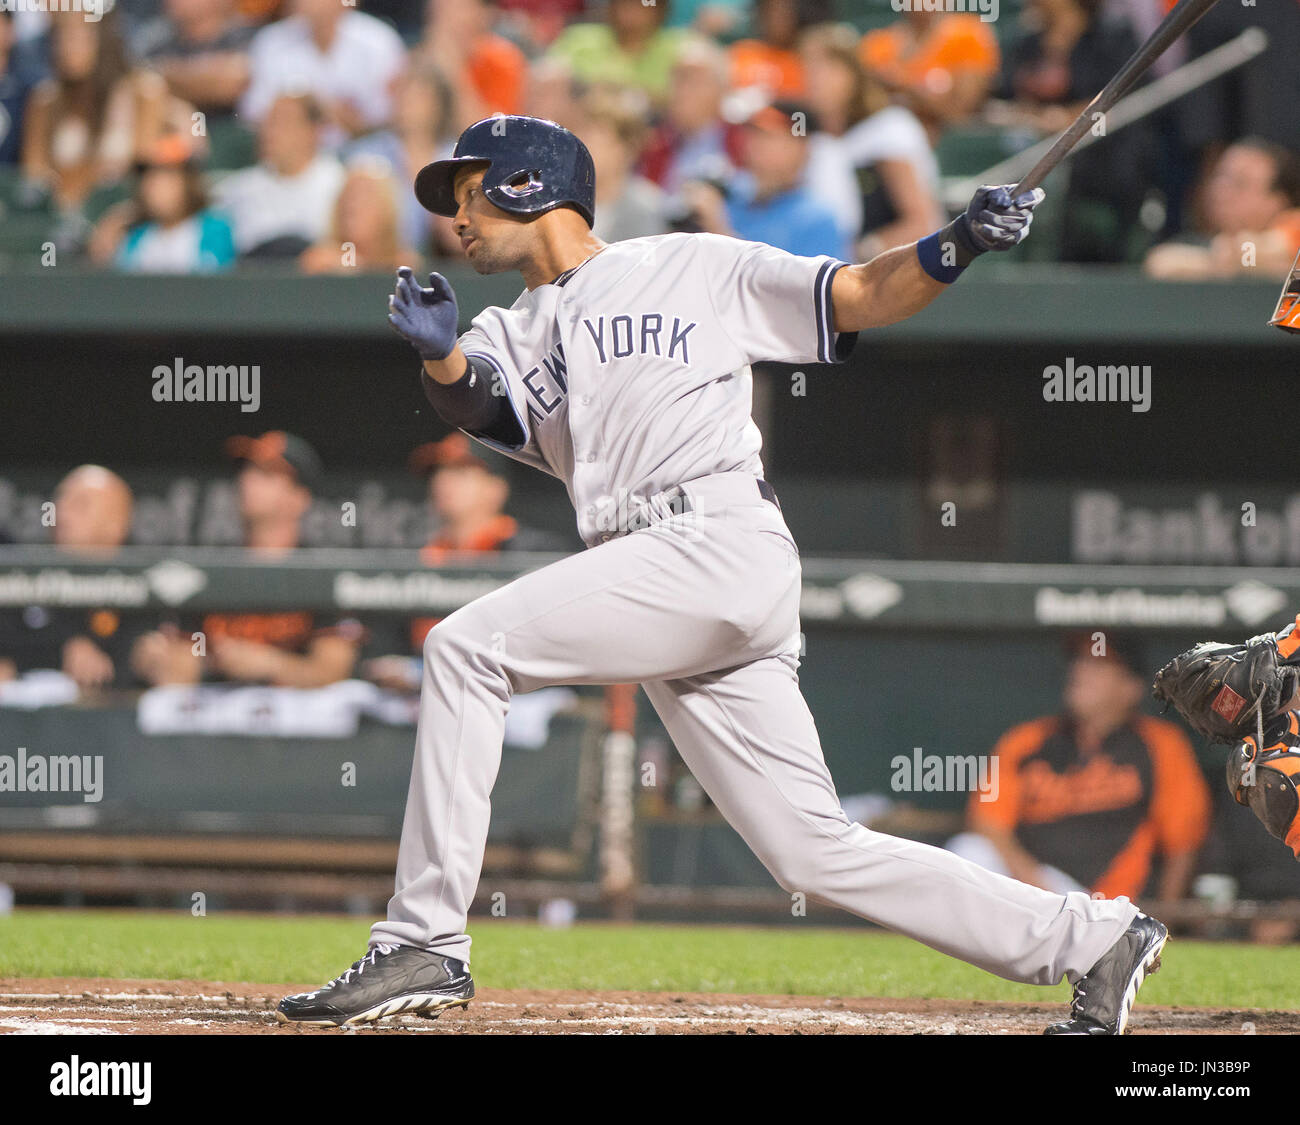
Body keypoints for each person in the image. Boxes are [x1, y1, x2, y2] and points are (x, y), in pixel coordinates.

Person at [277, 113, 1166, 1038]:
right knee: (810, 849)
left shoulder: (691, 262)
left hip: (713, 535)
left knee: (464, 649)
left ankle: (424, 937)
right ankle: (1092, 936)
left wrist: (959, 242)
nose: (455, 219)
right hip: (656, 569)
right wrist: (439, 354)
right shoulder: (513, 324)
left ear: (527, 185)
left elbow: (858, 292)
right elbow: (482, 399)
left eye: (468, 192)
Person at [947, 633, 1210, 902]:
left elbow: (1183, 843)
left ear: (1131, 687)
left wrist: (1164, 922)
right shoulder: (1027, 740)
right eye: (1079, 662)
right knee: (969, 851)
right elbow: (988, 825)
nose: (1080, 672)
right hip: (1036, 890)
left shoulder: (1161, 744)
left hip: (1109, 906)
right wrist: (1037, 887)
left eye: (1097, 666)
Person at [131, 432, 364, 688]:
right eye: (247, 470)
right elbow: (184, 661)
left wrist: (268, 663)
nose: (248, 480)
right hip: (218, 710)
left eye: (266, 474)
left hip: (296, 716)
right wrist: (165, 660)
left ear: (299, 499)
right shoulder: (211, 567)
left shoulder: (322, 571)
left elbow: (333, 672)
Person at [365, 432, 567, 692]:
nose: (443, 482)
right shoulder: (419, 556)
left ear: (496, 489)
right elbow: (383, 645)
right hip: (421, 694)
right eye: (438, 473)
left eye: (460, 473)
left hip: (514, 696)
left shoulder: (536, 552)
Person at [990, 0, 1149, 263]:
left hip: (1101, 159)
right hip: (1030, 153)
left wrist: (1068, 119)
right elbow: (1004, 97)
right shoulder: (1026, 42)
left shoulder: (1113, 36)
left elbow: (1123, 98)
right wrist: (1037, 118)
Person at [800, 23, 941, 260]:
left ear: (854, 75)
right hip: (826, 274)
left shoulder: (888, 129)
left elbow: (922, 224)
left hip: (887, 274)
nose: (816, 79)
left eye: (828, 68)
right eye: (809, 69)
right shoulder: (811, 140)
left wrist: (858, 255)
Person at [20, 9, 179, 214]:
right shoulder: (44, 100)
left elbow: (143, 169)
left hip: (123, 215)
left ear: (104, 37)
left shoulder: (144, 91)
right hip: (60, 218)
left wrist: (76, 178)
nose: (68, 47)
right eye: (61, 37)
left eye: (79, 35)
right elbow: (34, 176)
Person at [0, 466, 140, 693]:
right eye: (60, 502)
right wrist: (60, 650)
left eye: (80, 505)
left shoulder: (147, 585)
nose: (61, 514)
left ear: (116, 525)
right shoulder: (26, 578)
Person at [682, 101, 849, 260]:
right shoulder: (729, 195)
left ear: (800, 148)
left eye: (768, 136)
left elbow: (796, 285)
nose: (754, 144)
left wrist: (718, 230)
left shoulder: (817, 219)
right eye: (752, 134)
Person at [237, 0, 408, 149]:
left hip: (363, 150)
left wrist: (345, 117)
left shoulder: (378, 40)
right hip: (295, 154)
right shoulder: (271, 41)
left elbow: (391, 116)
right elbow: (253, 112)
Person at [344, 65, 459, 259]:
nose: (408, 104)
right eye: (403, 95)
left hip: (445, 258)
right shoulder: (367, 153)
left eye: (419, 97)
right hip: (382, 258)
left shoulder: (455, 156)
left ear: (438, 104)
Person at [1144, 139, 1300, 281]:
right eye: (1220, 178)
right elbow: (1159, 262)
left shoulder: (1294, 226)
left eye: (1240, 183)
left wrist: (1237, 254)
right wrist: (1223, 259)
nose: (1221, 191)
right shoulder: (1205, 243)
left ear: (1278, 200)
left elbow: (1262, 250)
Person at [213, 93, 344, 260]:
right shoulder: (238, 190)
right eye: (268, 122)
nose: (270, 131)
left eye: (283, 122)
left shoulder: (340, 184)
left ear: (314, 131)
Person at [94, 133, 236, 273]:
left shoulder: (215, 228)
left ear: (187, 181)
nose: (155, 186)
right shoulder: (136, 237)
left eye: (167, 175)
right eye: (150, 177)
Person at [859, 6, 999, 143]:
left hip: (947, 143)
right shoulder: (877, 44)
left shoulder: (968, 33)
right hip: (887, 142)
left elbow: (960, 113)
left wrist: (905, 86)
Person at [545, 0, 696, 105]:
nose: (632, 9)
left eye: (644, 3)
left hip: (657, 137)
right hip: (581, 125)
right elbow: (548, 82)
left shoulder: (678, 47)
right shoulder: (578, 39)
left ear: (660, 9)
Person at [132, 0, 254, 119]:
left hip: (229, 128)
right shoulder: (157, 41)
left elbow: (231, 83)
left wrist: (166, 78)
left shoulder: (244, 34)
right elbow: (138, 84)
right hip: (176, 129)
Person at [414, 0, 526, 128]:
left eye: (458, 6)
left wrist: (454, 70)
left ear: (484, 13)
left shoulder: (503, 61)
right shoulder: (417, 56)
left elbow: (495, 132)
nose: (444, 12)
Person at [298, 159, 420, 274]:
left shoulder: (405, 265)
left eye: (365, 195)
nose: (352, 204)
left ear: (387, 208)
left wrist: (363, 267)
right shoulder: (320, 262)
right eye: (348, 195)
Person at [578, 87, 667, 244]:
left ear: (626, 148)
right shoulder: (563, 205)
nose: (584, 148)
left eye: (596, 141)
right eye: (583, 137)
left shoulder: (646, 208)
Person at [728, 0, 832, 99]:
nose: (778, 18)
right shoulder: (742, 52)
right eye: (771, 11)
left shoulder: (807, 60)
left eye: (786, 11)